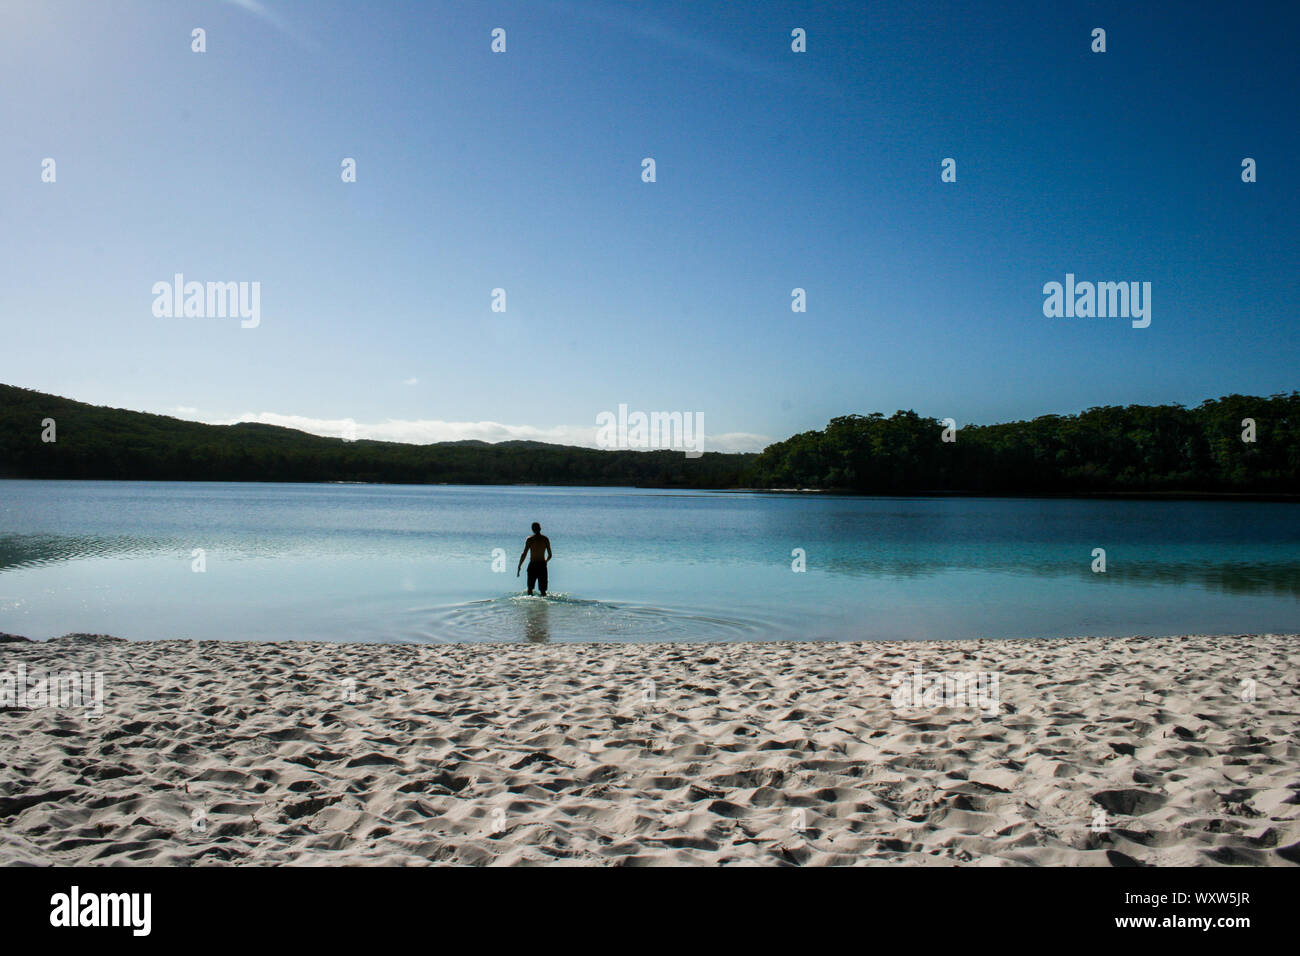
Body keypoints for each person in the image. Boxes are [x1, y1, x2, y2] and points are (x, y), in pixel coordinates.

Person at [516, 522, 552, 596]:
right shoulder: (545, 539)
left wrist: (519, 565)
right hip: (542, 565)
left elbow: (524, 554)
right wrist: (546, 561)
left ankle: (530, 607)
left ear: (532, 529)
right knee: (543, 591)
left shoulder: (530, 539)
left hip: (533, 565)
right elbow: (550, 555)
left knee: (530, 589)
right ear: (540, 529)